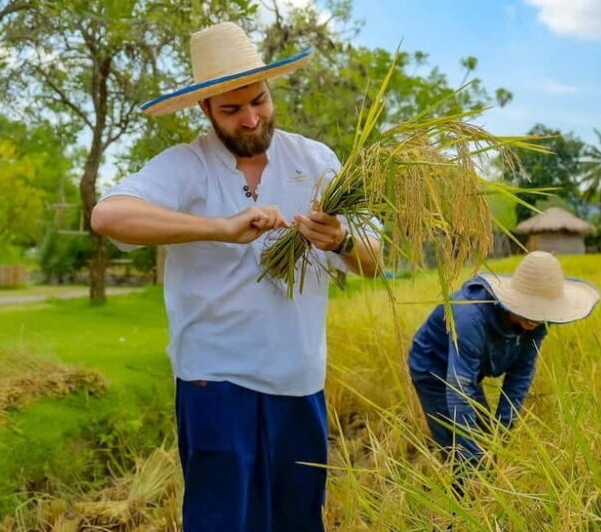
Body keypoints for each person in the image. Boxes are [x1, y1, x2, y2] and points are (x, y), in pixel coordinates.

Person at [91, 22, 381, 532]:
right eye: (231, 109)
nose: (250, 119)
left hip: (299, 376)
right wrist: (220, 228)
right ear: (205, 109)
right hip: (215, 380)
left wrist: (340, 239)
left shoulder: (316, 161)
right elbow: (109, 216)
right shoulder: (185, 166)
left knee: (297, 518)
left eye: (259, 101)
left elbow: (375, 258)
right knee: (221, 518)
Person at [407, 251, 599, 467]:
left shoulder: (538, 322)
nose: (535, 318)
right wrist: (473, 457)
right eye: (530, 309)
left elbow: (521, 373)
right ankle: (460, 492)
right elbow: (460, 389)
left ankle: (480, 476)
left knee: (487, 434)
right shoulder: (470, 317)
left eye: (542, 312)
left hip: (469, 369)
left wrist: (502, 433)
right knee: (456, 448)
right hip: (433, 366)